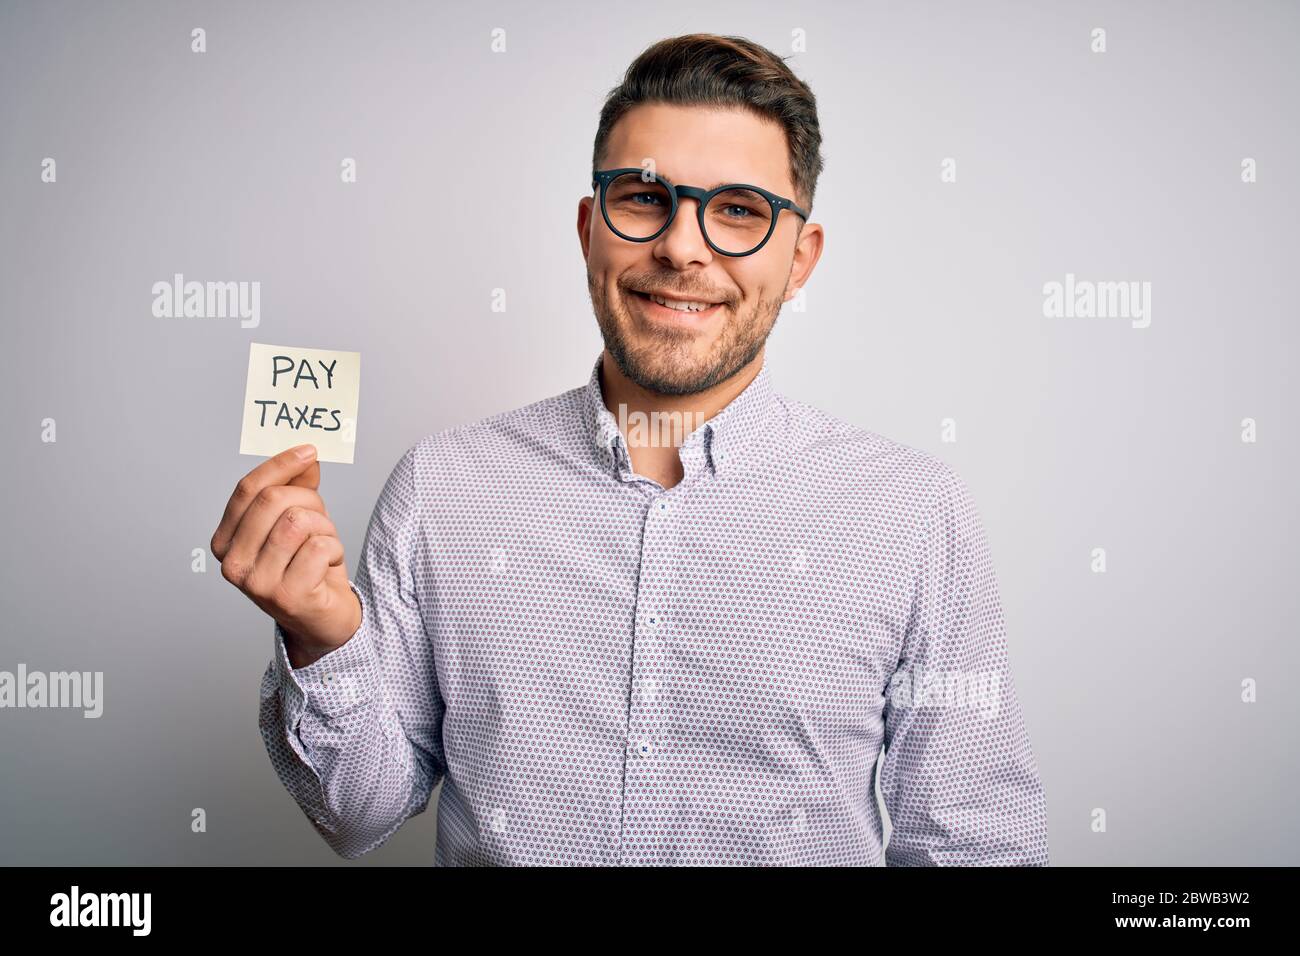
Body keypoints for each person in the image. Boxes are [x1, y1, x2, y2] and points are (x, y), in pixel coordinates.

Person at [211, 33, 1049, 866]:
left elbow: (973, 847)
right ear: (589, 229)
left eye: (739, 212)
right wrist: (321, 638)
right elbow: (358, 817)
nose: (683, 248)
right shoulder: (443, 486)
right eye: (645, 198)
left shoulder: (912, 512)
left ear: (801, 259)